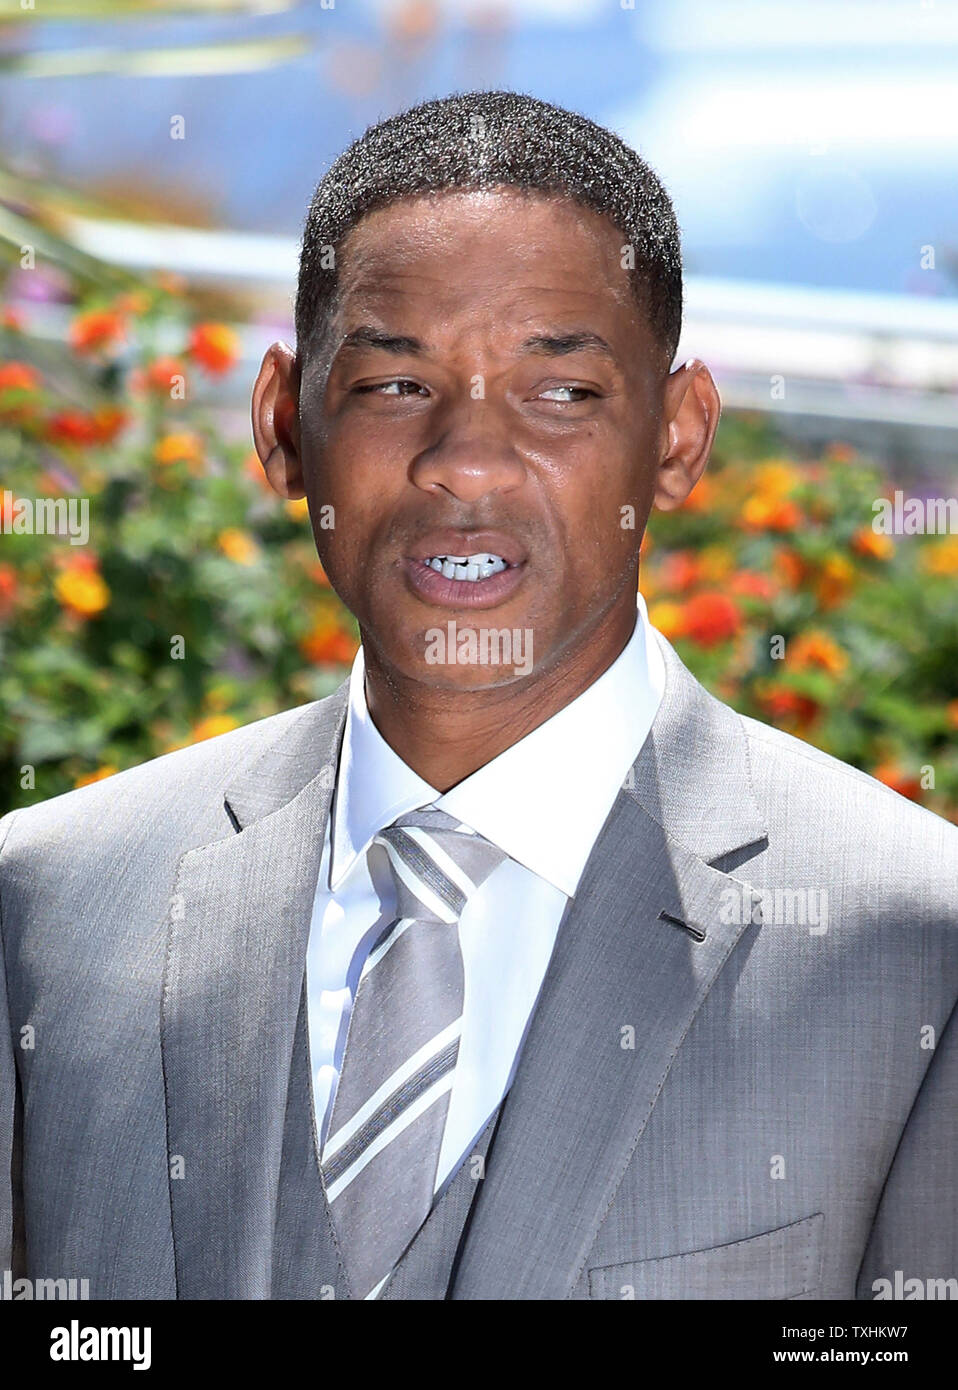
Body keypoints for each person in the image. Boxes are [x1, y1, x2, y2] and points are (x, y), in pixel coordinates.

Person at [1, 91, 955, 1302]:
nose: (467, 457)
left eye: (560, 392)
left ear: (676, 433)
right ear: (283, 423)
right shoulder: (42, 906)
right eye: (397, 385)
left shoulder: (916, 943)